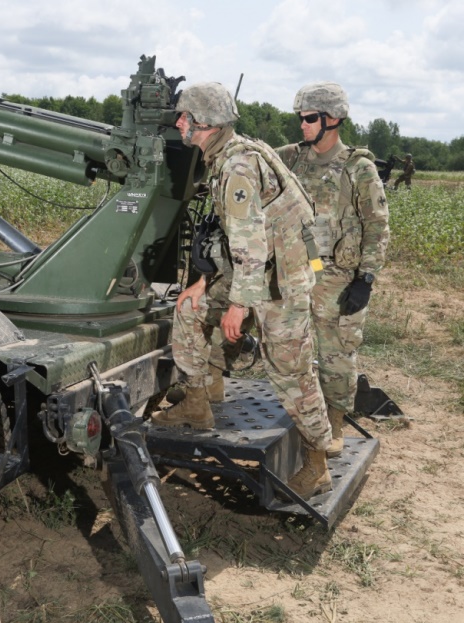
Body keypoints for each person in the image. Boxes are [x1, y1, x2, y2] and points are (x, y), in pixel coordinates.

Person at [152, 82, 332, 500]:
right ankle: (198, 401)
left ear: (207, 124)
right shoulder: (224, 154)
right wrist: (202, 281)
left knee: (291, 373)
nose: (179, 122)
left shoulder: (237, 168)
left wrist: (237, 306)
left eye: (185, 116)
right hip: (256, 270)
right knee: (190, 308)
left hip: (280, 281)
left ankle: (317, 462)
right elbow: (229, 237)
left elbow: (250, 246)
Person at [277, 82, 390, 458]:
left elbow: (377, 225)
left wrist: (366, 278)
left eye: (309, 118)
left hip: (338, 278)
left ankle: (335, 422)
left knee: (336, 355)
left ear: (333, 120)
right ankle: (307, 414)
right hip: (298, 272)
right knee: (291, 347)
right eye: (301, 118)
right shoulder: (294, 158)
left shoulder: (359, 168)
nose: (302, 125)